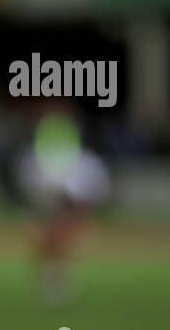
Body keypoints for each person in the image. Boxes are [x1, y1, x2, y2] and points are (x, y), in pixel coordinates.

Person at [16, 109, 111, 304]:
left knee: (60, 241)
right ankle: (54, 277)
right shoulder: (34, 162)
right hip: (50, 212)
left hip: (71, 214)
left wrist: (73, 214)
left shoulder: (84, 163)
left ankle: (57, 276)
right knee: (47, 243)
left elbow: (88, 200)